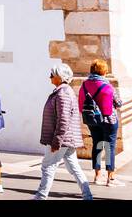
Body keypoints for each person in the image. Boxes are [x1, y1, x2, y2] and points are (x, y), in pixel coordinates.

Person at [33, 63, 93, 200]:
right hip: (68, 139)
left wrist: (57, 141)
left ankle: (41, 196)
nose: (50, 77)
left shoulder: (63, 93)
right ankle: (87, 195)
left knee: (48, 166)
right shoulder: (63, 91)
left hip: (62, 139)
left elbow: (64, 119)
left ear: (60, 77)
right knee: (74, 167)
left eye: (52, 75)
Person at [79, 59, 121, 187]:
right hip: (108, 120)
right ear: (103, 71)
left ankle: (97, 175)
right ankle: (110, 177)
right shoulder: (107, 86)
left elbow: (80, 103)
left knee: (97, 145)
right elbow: (118, 102)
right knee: (109, 147)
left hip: (92, 119)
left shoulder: (84, 85)